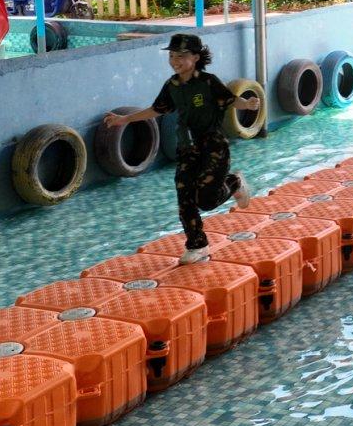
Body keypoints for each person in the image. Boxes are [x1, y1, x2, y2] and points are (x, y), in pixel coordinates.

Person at [104, 33, 256, 264]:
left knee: (206, 201)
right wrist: (124, 119)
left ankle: (234, 182)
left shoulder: (208, 82)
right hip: (187, 148)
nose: (175, 61)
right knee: (184, 195)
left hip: (214, 147)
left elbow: (230, 99)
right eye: (172, 56)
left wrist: (247, 104)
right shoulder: (172, 85)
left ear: (195, 57)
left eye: (181, 56)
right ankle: (197, 245)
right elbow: (157, 109)